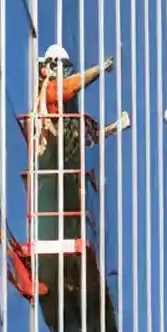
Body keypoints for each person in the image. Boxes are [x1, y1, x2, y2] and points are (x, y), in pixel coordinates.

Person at [29, 44, 127, 242]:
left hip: (56, 162)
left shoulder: (50, 96)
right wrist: (100, 69)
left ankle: (105, 131)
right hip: (49, 159)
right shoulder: (49, 89)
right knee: (75, 130)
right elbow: (69, 87)